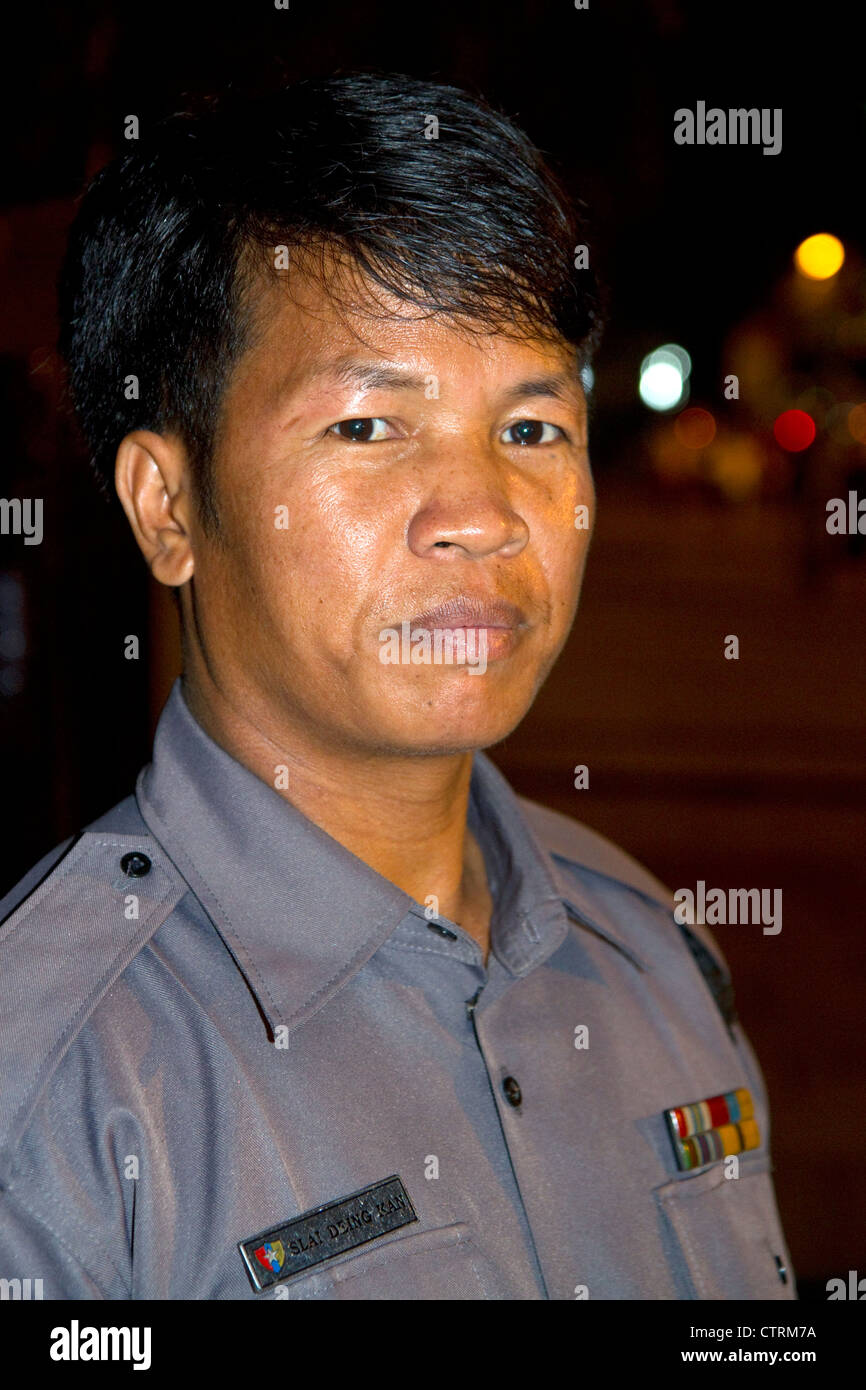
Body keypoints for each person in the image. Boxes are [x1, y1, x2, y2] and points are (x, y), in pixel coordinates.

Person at [0, 72, 794, 1300]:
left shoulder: (643, 950)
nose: (481, 518)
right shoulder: (53, 1087)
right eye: (368, 427)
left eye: (531, 430)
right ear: (169, 507)